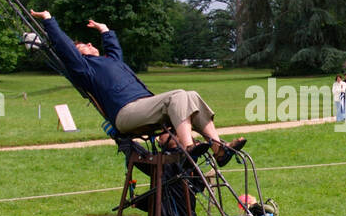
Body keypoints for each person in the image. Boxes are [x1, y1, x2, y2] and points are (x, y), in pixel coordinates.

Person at [30, 11, 245, 165]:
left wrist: (104, 30)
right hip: (126, 114)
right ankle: (188, 149)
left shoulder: (112, 60)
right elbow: (66, 48)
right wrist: (49, 20)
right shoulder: (84, 69)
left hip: (145, 106)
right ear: (80, 54)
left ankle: (218, 147)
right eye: (84, 46)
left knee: (192, 95)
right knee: (179, 95)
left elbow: (113, 47)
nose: (90, 45)